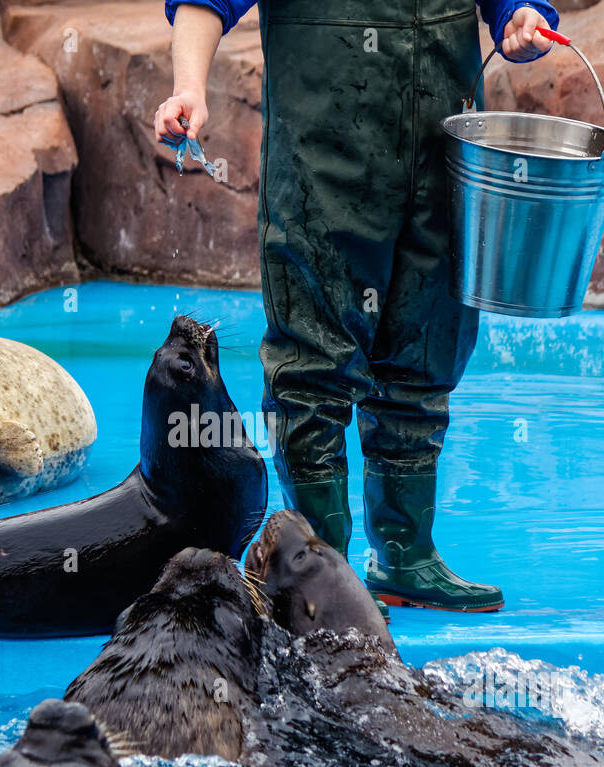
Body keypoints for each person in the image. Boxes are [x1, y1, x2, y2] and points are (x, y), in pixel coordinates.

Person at [154, 1, 558, 613]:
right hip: (326, 158)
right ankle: (318, 570)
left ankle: (406, 555)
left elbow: (511, 7)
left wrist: (521, 17)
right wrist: (189, 86)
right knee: (314, 360)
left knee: (428, 344)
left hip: (439, 149)